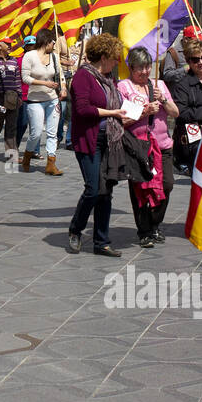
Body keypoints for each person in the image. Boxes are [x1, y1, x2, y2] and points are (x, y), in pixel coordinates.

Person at [68, 33, 126, 257]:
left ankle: (101, 241)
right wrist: (112, 112)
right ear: (104, 57)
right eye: (114, 58)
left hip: (109, 139)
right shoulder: (83, 76)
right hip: (88, 140)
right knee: (93, 189)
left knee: (106, 192)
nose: (117, 62)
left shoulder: (109, 78)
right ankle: (76, 229)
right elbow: (82, 110)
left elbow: (118, 103)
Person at [118, 47, 179, 248]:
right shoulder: (124, 87)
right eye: (140, 68)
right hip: (138, 146)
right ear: (131, 68)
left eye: (147, 67)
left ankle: (155, 223)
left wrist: (162, 99)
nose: (144, 72)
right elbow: (123, 119)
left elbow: (175, 112)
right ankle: (144, 230)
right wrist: (145, 111)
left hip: (162, 145)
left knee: (167, 184)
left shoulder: (158, 84)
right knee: (140, 189)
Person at [20, 29, 64, 175]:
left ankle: (51, 163)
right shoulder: (29, 56)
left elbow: (60, 75)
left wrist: (63, 89)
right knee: (36, 132)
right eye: (53, 42)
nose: (54, 45)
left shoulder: (55, 57)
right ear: (46, 42)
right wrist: (44, 84)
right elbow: (25, 78)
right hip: (35, 100)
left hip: (52, 99)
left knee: (52, 133)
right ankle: (27, 156)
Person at [170, 36, 202, 175]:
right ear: (189, 62)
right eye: (195, 60)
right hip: (195, 139)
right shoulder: (183, 85)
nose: (201, 62)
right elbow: (182, 113)